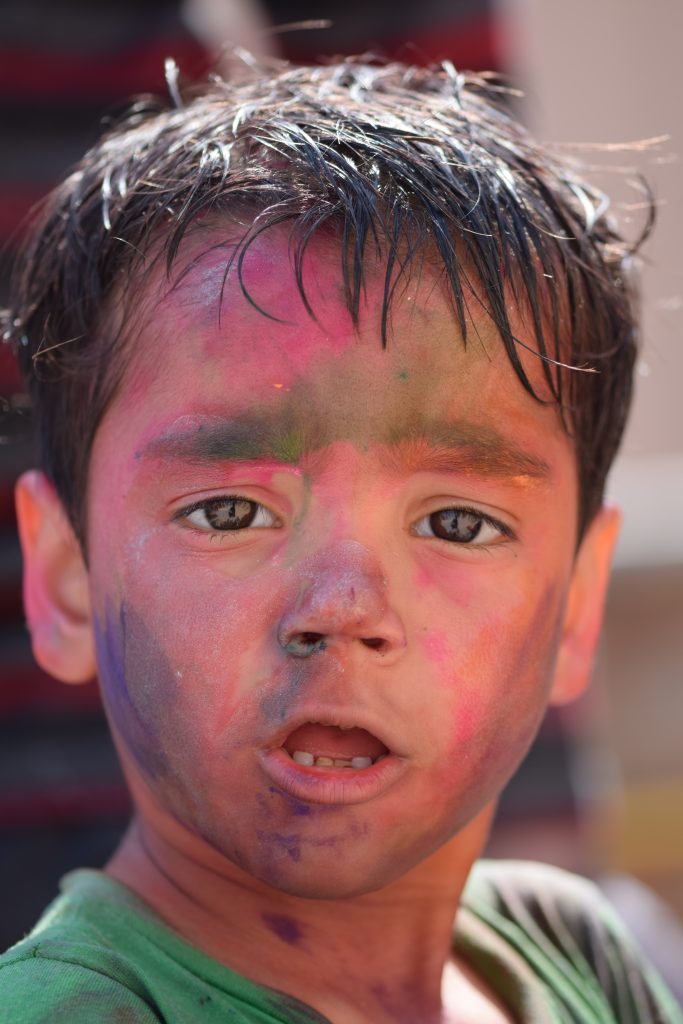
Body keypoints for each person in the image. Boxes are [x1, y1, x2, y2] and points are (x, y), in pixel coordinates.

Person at [1, 55, 680, 1024]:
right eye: (230, 512)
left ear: (574, 603)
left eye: (456, 523)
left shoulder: (572, 949)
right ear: (68, 577)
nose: (343, 607)